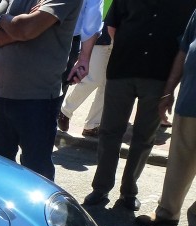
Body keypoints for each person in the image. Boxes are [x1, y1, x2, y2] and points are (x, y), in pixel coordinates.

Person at [82, 0, 196, 211]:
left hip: (159, 76)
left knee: (144, 137)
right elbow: (112, 26)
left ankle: (129, 191)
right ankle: (101, 187)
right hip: (121, 70)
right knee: (109, 132)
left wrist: (171, 87)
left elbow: (185, 41)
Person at [0, 0, 83, 181]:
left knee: (37, 176)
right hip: (2, 96)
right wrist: (21, 29)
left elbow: (26, 30)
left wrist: (5, 21)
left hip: (39, 101)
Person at [134, 8, 196, 226]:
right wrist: (169, 90)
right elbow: (184, 50)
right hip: (190, 100)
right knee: (179, 161)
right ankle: (167, 212)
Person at [57, 0, 112, 138]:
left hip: (122, 34)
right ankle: (65, 111)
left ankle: (92, 125)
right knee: (93, 79)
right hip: (101, 32)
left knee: (108, 83)